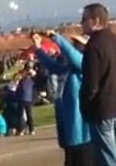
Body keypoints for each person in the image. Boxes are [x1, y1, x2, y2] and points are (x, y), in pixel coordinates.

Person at [80, 2, 116, 166]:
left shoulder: (93, 46)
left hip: (101, 111)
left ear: (95, 21)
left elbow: (91, 83)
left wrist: (86, 104)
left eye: (84, 19)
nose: (81, 23)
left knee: (108, 160)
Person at [35, 32, 91, 166]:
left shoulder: (85, 64)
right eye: (73, 44)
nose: (73, 46)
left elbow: (74, 56)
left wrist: (55, 37)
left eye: (77, 44)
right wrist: (38, 47)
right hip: (68, 128)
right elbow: (52, 65)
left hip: (81, 132)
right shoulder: (68, 69)